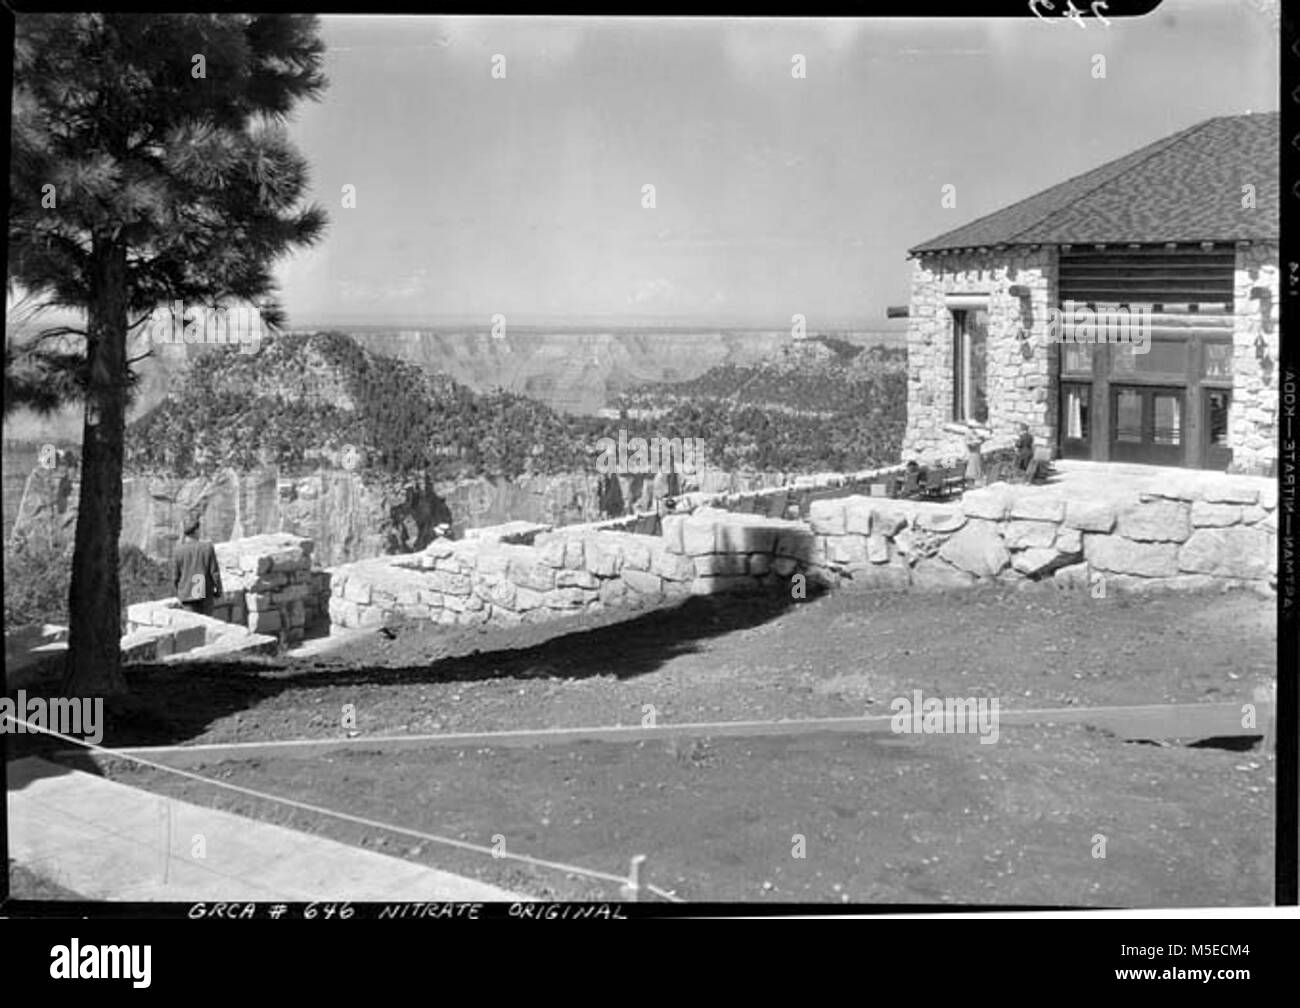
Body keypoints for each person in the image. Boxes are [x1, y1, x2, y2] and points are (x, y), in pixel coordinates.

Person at [171, 515, 222, 617]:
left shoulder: (178, 551)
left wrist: (180, 591)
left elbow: (175, 577)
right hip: (205, 594)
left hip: (187, 595)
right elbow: (214, 573)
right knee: (207, 626)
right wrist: (218, 590)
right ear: (197, 531)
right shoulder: (207, 548)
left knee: (192, 628)